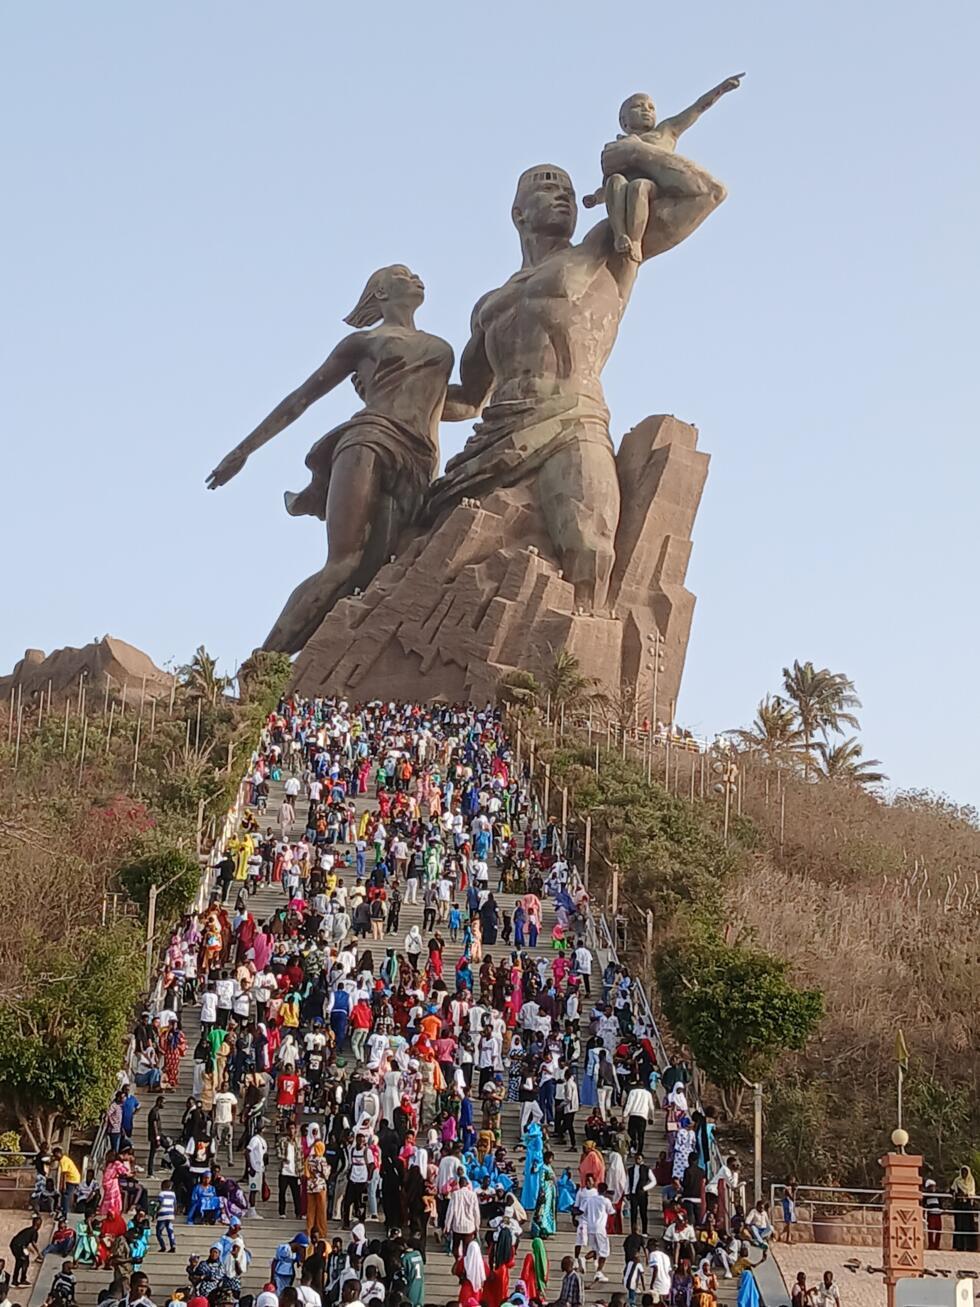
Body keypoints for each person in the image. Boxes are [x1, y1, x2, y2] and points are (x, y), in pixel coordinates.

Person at [207, 267, 465, 654]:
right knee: (344, 564)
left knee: (380, 569)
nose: (415, 277)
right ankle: (265, 663)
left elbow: (463, 403)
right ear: (380, 292)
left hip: (419, 461)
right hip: (370, 441)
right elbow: (301, 398)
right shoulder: (363, 342)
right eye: (402, 274)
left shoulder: (439, 345)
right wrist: (243, 450)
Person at [10, 1215, 42, 1287]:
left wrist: (29, 1249)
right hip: (19, 1246)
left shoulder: (28, 1230)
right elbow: (33, 1243)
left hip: (14, 1245)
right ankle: (22, 1280)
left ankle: (15, 1281)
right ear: (39, 1225)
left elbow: (24, 1240)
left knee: (19, 1262)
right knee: (25, 1262)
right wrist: (39, 1253)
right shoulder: (34, 1232)